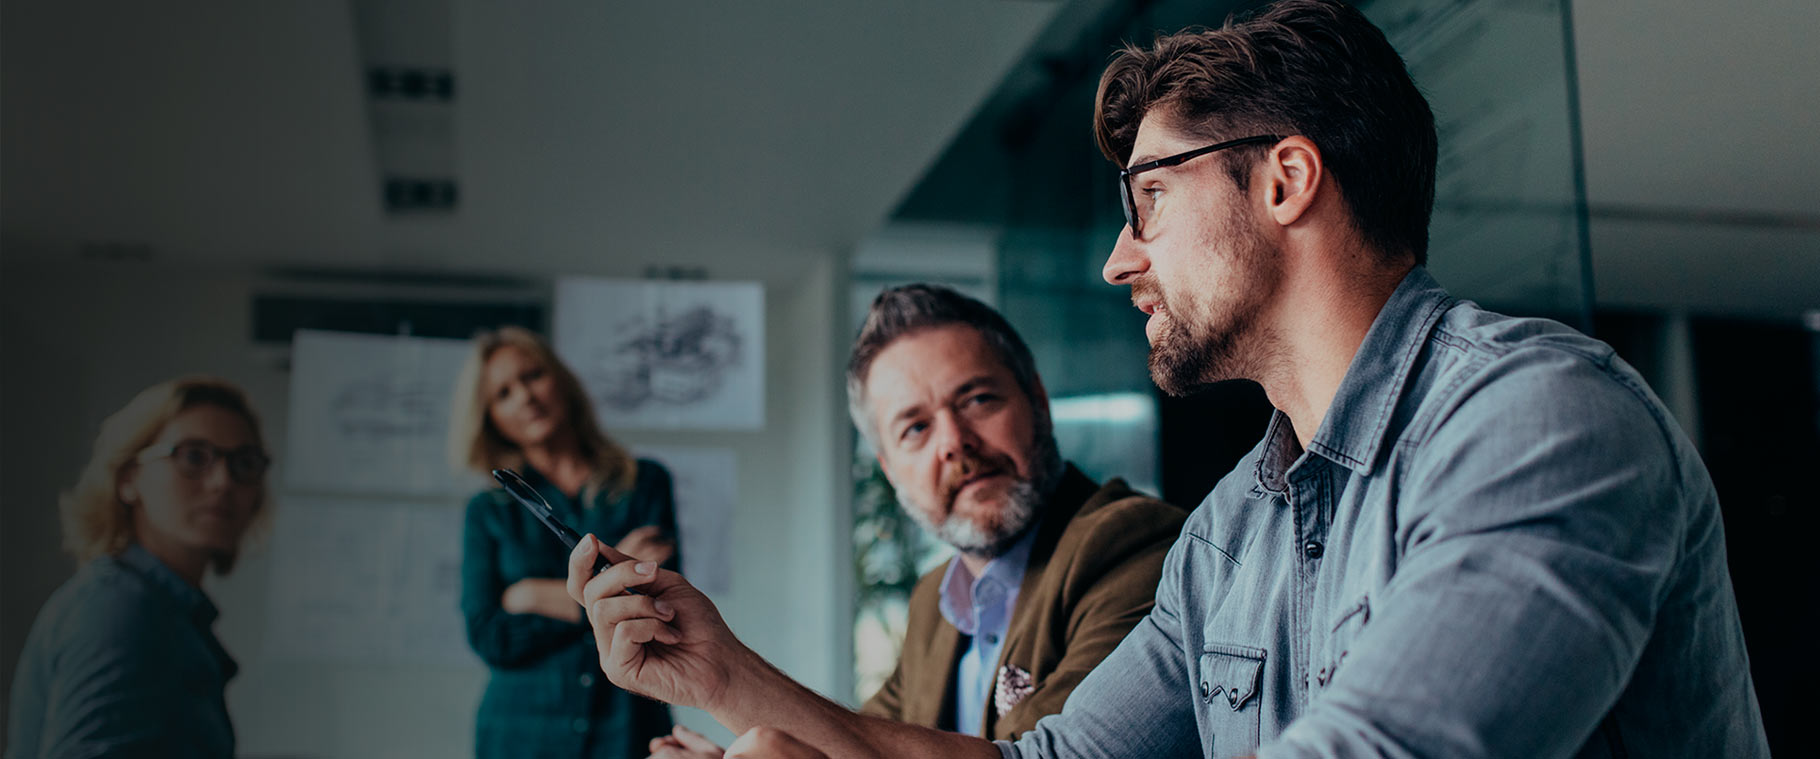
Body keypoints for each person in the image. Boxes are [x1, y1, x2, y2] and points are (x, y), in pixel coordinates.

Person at [566, 1, 1772, 757]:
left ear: (1285, 181)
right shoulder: (1236, 529)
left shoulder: (1538, 420)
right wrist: (720, 675)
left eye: (1149, 198)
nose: (1116, 257)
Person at [647, 286, 1186, 759]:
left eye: (977, 400)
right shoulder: (936, 600)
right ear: (889, 469)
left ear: (1038, 402)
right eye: (915, 429)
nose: (954, 443)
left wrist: (721, 674)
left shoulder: (1133, 544)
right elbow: (854, 745)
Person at [6, 377, 272, 758]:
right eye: (194, 456)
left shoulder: (164, 611)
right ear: (128, 478)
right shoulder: (120, 609)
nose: (223, 482)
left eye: (244, 463)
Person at [452, 326, 681, 759]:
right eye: (503, 393)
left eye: (532, 376)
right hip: (519, 735)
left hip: (627, 728)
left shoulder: (645, 482)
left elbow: (656, 606)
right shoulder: (488, 511)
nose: (524, 397)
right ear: (490, 418)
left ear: (561, 380)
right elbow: (489, 636)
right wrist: (606, 590)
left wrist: (528, 595)